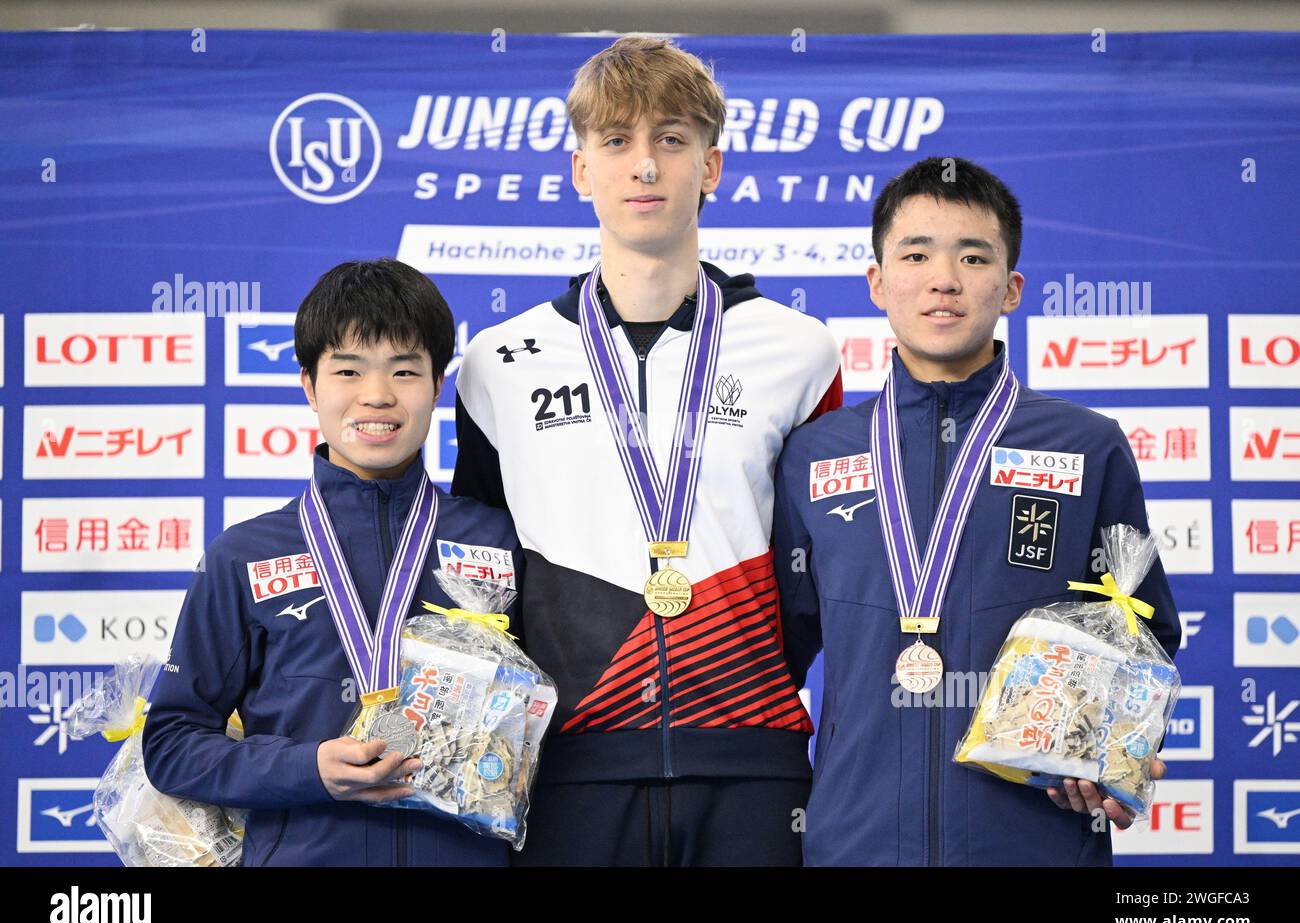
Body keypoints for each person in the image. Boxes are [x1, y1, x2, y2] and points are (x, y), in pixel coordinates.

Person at [453, 36, 843, 866]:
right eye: (617, 141)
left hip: (753, 760)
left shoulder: (800, 352)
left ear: (711, 167)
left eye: (671, 139)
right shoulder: (498, 363)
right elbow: (478, 577)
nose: (644, 166)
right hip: (568, 765)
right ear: (579, 169)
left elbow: (820, 568)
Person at [772, 157, 1181, 866]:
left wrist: (1118, 747)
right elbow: (776, 648)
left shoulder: (1086, 447)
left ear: (1012, 288)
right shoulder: (814, 454)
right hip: (855, 839)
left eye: (973, 255)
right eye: (916, 253)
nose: (944, 279)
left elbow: (1143, 634)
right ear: (877, 282)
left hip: (1033, 840)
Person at [143, 259, 524, 866]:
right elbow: (171, 744)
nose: (377, 394)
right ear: (309, 386)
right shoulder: (244, 555)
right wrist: (307, 768)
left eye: (405, 369)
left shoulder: (501, 539)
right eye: (348, 370)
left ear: (436, 384)